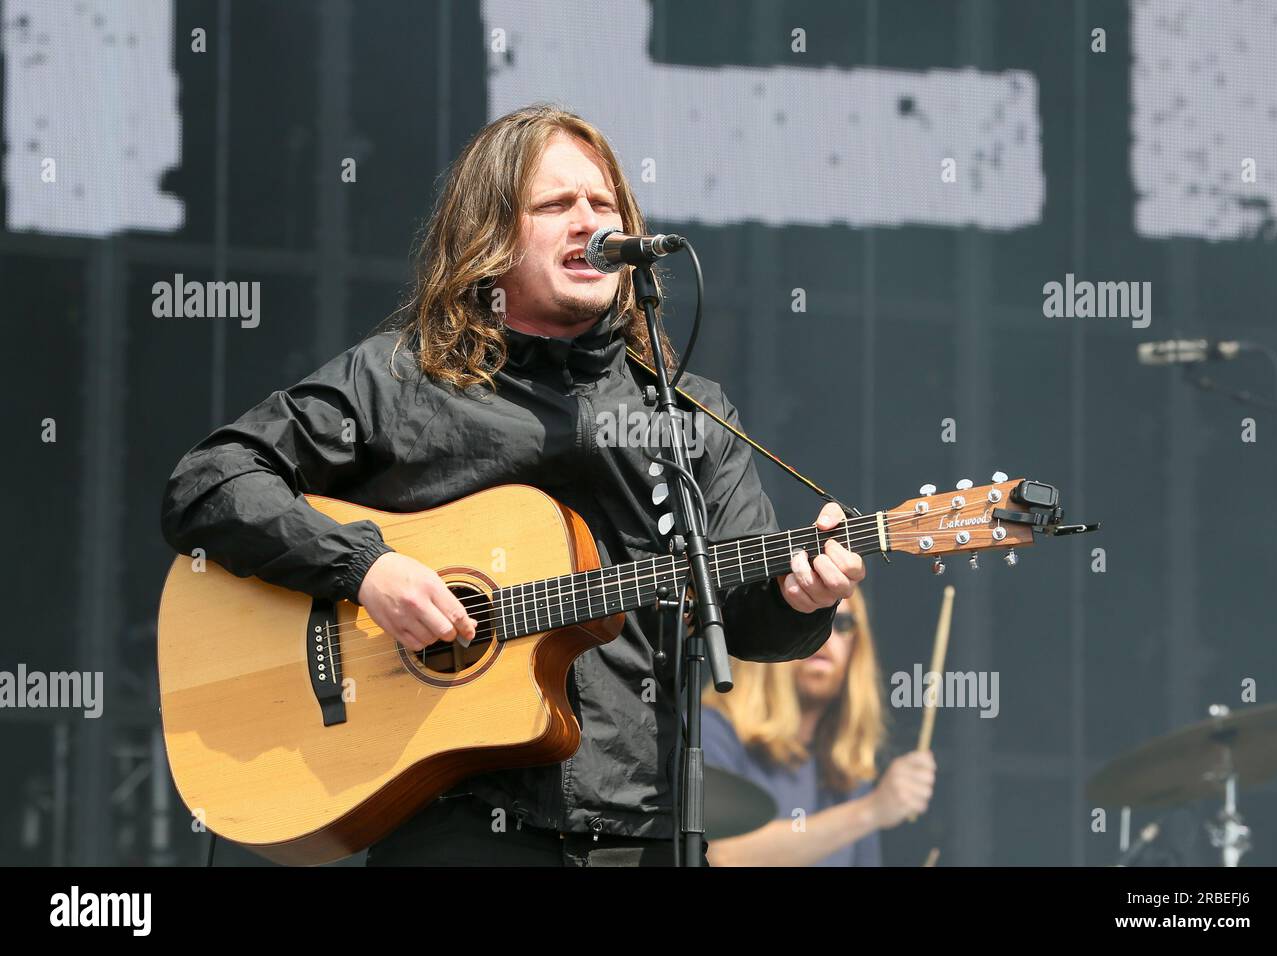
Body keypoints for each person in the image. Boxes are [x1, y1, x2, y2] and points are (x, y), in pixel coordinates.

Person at [160, 104, 865, 866]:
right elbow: (210, 481)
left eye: (603, 205)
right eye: (555, 205)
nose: (587, 222)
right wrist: (367, 569)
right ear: (490, 238)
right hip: (454, 820)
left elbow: (742, 619)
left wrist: (802, 600)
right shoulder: (400, 381)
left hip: (639, 827)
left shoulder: (686, 409)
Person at [701, 587, 936, 866]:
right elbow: (720, 855)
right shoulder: (712, 729)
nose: (826, 636)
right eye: (813, 616)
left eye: (842, 624)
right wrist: (871, 811)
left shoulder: (847, 766)